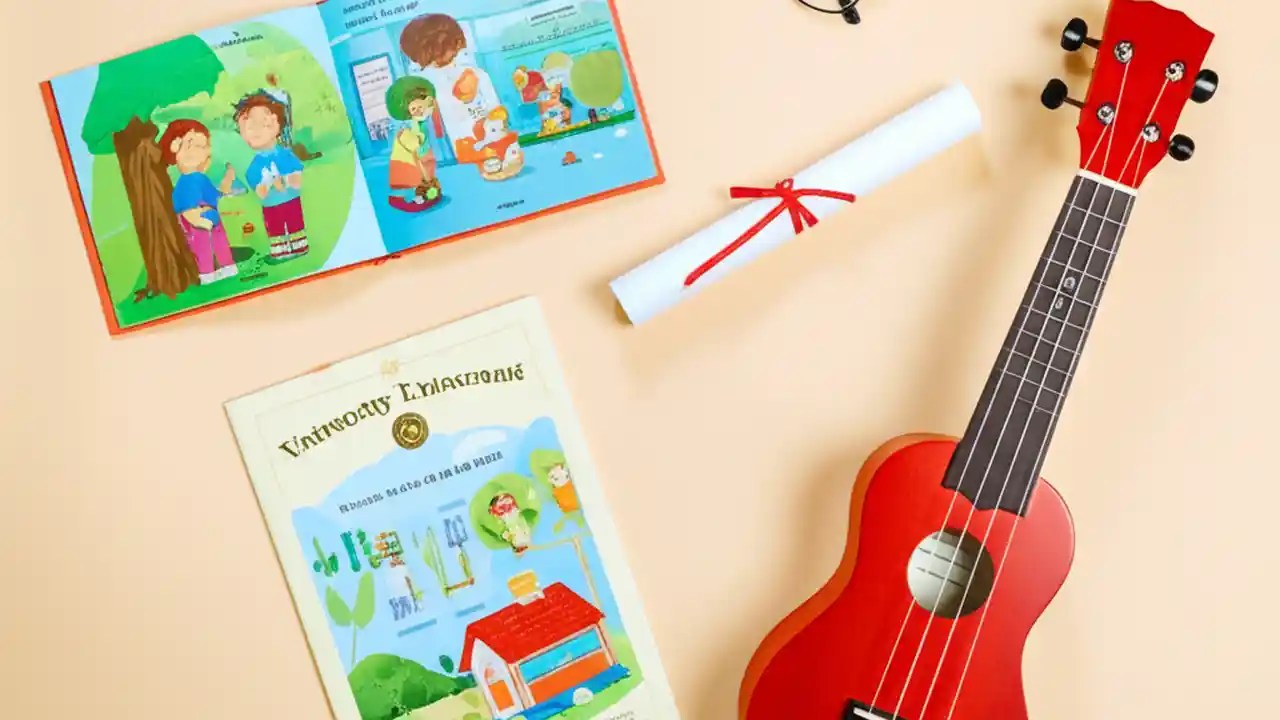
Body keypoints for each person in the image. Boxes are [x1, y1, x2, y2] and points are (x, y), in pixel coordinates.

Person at [399, 13, 524, 180]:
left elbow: (497, 112)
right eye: (431, 54)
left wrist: (499, 137)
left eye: (441, 49)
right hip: (456, 154)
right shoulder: (423, 87)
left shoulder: (477, 75)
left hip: (491, 148)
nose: (438, 58)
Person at [159, 119, 238, 285]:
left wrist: (228, 179)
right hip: (197, 222)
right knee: (202, 247)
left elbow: (216, 193)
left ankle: (226, 267)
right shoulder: (185, 182)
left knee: (219, 243)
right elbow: (185, 206)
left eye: (204, 147)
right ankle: (207, 273)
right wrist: (197, 219)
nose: (201, 152)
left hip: (212, 219)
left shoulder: (201, 177)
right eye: (194, 145)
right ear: (176, 146)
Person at [235, 92, 308, 261]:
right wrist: (266, 185)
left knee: (294, 221)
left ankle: (299, 246)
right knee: (275, 226)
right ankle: (280, 250)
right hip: (270, 204)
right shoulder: (255, 165)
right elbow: (258, 190)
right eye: (248, 128)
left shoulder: (286, 155)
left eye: (264, 124)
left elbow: (297, 177)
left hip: (290, 199)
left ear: (277, 124)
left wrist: (284, 181)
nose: (256, 132)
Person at [384, 76, 443, 208]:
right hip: (418, 152)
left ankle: (430, 191)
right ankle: (422, 193)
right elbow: (415, 137)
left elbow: (428, 109)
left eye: (419, 106)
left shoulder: (424, 116)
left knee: (429, 170)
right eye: (413, 109)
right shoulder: (414, 123)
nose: (418, 111)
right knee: (420, 173)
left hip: (425, 149)